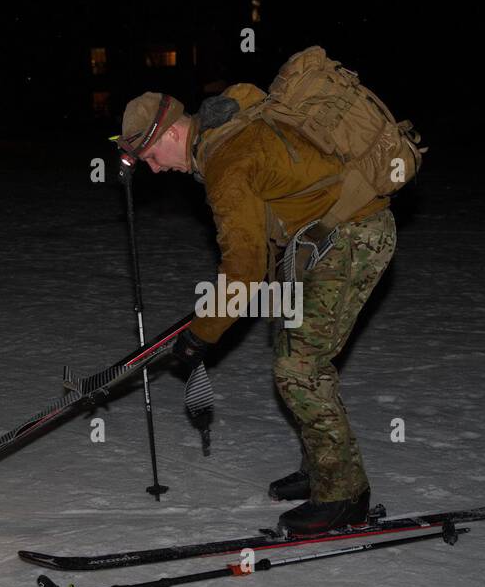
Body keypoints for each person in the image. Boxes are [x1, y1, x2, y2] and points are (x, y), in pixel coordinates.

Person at [115, 87, 397, 535]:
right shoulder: (223, 134)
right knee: (292, 348)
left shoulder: (226, 162)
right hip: (320, 241)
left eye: (151, 156)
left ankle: (344, 496)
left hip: (353, 237)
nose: (155, 168)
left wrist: (203, 333)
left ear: (171, 132)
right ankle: (321, 469)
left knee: (300, 368)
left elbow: (243, 269)